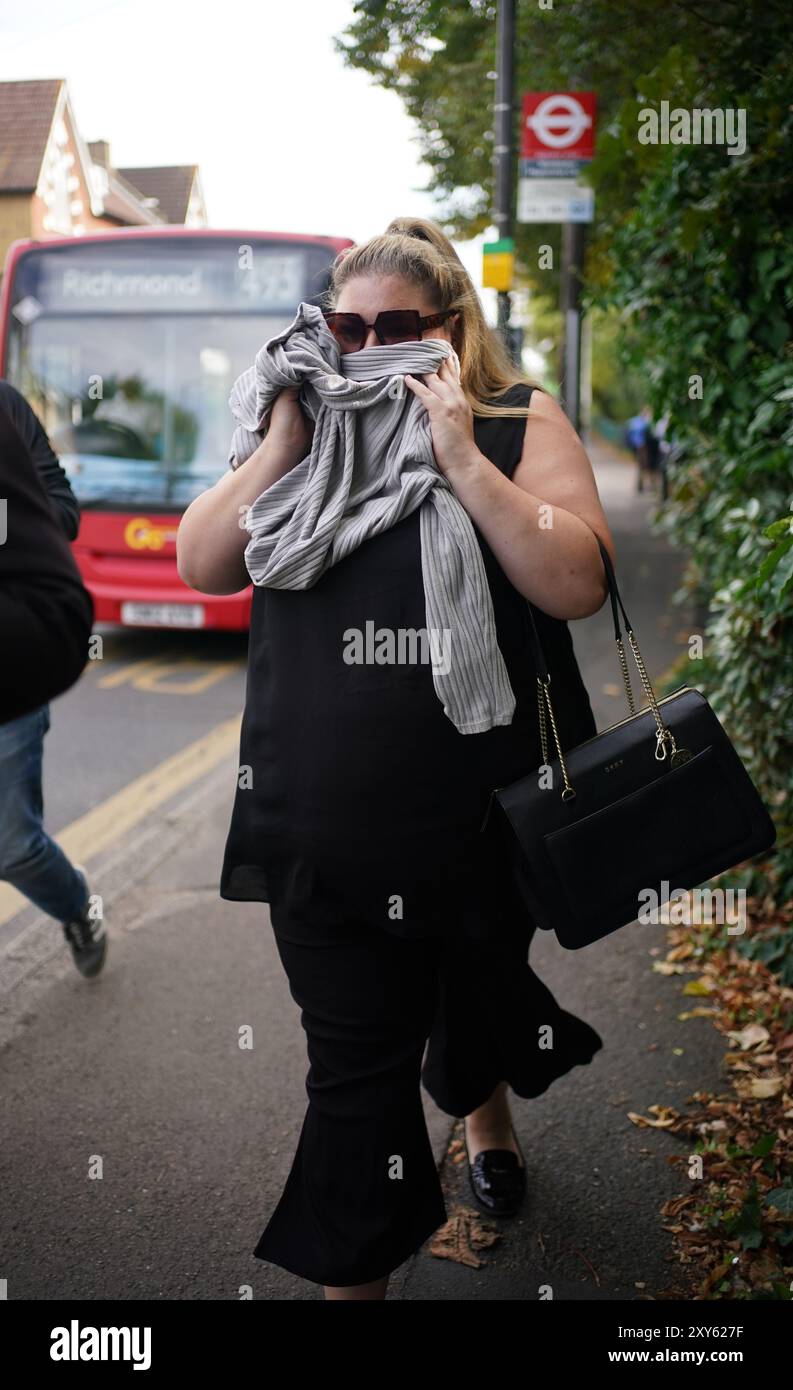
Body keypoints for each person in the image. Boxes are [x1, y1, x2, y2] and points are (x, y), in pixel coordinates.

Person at [177, 216, 616, 1300]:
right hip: (317, 827)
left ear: (452, 330)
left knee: (469, 1002)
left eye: (395, 327)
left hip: (481, 823)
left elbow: (574, 582)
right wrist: (279, 447)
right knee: (355, 1084)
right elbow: (202, 563)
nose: (366, 347)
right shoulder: (299, 432)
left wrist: (462, 457)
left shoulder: (515, 421)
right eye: (346, 326)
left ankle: (482, 1110)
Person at [0, 386, 107, 978]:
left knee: (12, 846)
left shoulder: (8, 409)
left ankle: (76, 905)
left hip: (11, 669)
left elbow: (62, 511)